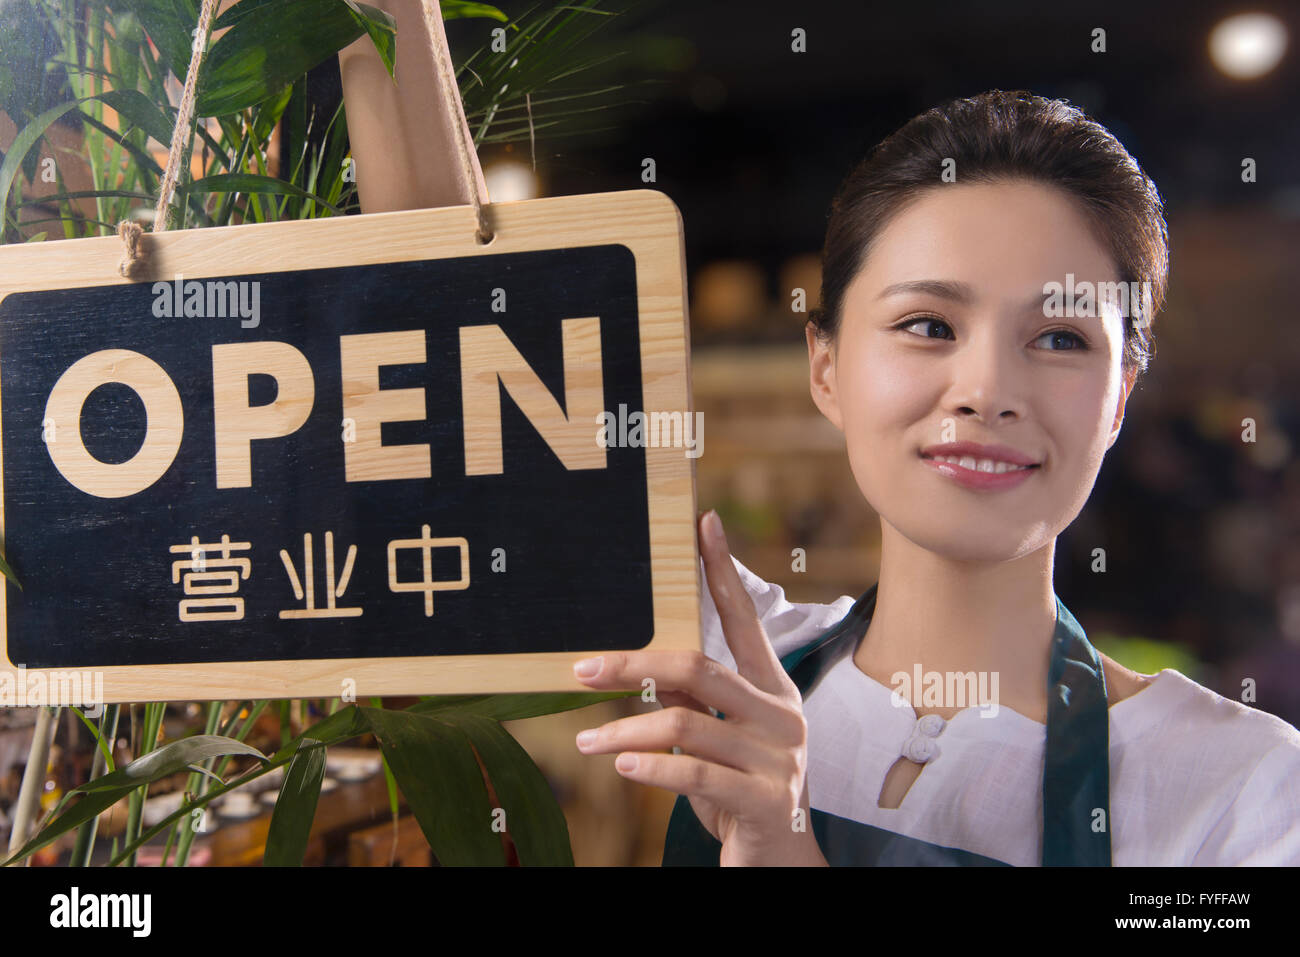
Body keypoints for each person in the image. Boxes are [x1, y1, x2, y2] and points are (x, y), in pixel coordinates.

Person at [572, 89, 1300, 865]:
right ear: (826, 367)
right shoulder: (724, 650)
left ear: (1118, 399)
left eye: (1059, 336)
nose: (986, 390)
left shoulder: (1243, 789)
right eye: (929, 326)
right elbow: (458, 291)